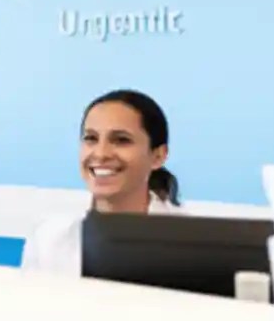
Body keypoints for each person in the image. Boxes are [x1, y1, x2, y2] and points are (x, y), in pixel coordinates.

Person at [22, 89, 179, 276]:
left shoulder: (189, 243)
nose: (101, 153)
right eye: (91, 139)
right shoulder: (48, 238)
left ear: (158, 156)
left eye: (121, 140)